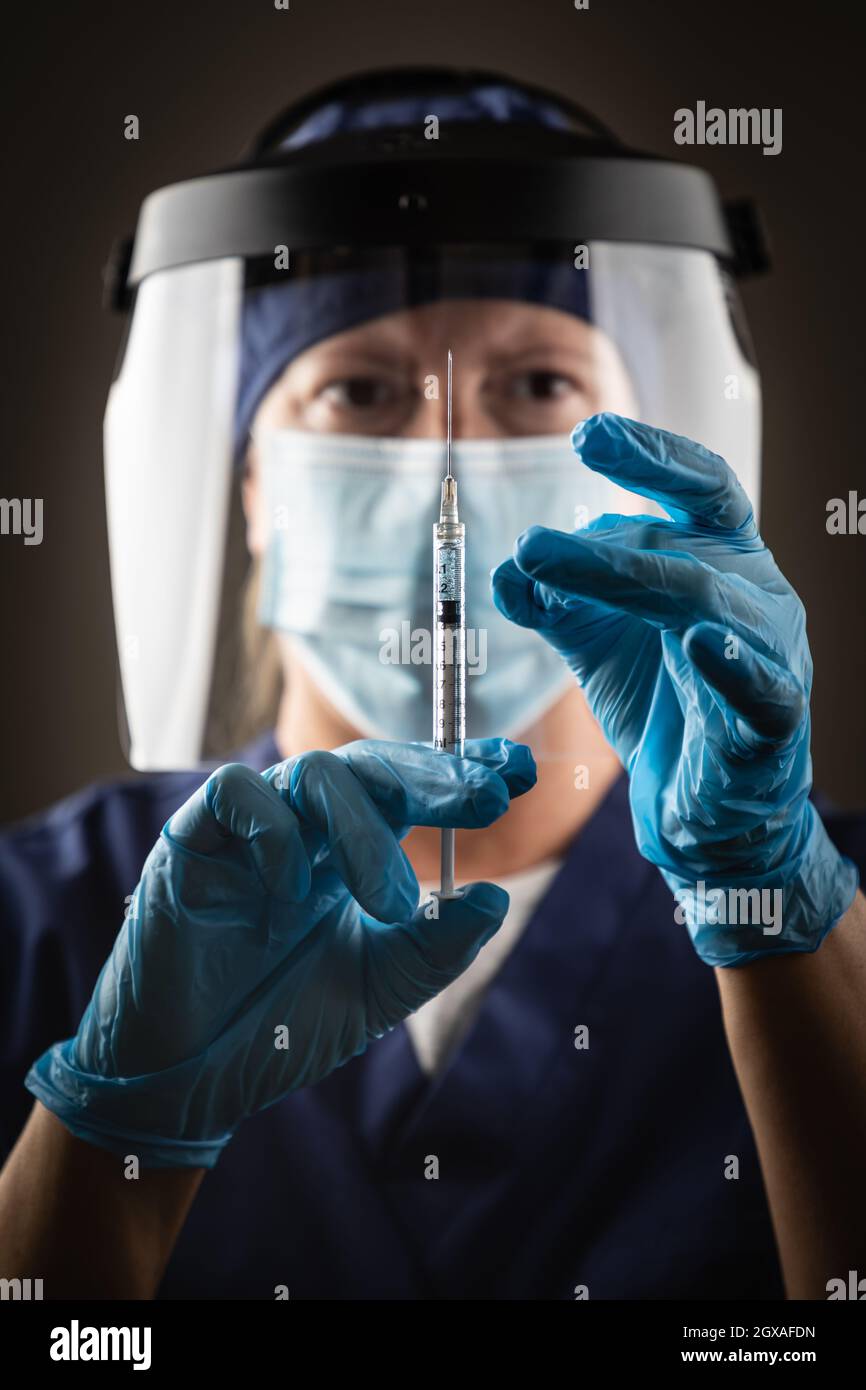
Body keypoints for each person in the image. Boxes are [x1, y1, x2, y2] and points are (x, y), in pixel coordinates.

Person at [1, 67, 863, 1302]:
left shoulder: (832, 927)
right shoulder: (41, 923)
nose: (445, 471)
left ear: (648, 457)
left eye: (536, 385)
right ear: (250, 487)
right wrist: (110, 1130)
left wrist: (768, 900)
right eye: (355, 390)